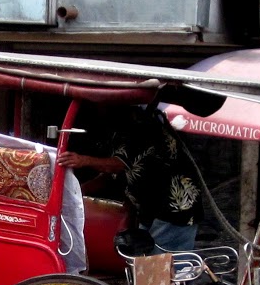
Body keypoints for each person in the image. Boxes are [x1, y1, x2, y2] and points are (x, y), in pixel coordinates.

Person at [62, 105, 203, 252]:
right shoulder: (117, 134)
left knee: (166, 261)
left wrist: (83, 160)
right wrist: (80, 190)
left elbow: (116, 165)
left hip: (174, 207)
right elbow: (112, 175)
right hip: (149, 208)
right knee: (146, 259)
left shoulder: (141, 130)